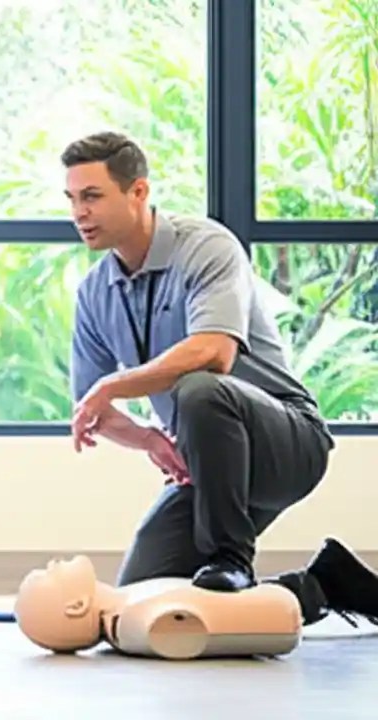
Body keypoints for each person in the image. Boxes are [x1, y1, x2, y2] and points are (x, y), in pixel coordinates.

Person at [62, 131, 335, 594]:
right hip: (205, 460)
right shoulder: (94, 293)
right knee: (140, 600)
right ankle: (322, 587)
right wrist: (150, 439)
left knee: (200, 387)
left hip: (287, 443)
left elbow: (214, 353)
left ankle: (232, 556)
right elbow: (92, 409)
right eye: (71, 199)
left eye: (92, 196)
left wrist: (112, 386)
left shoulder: (206, 246)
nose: (78, 213)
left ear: (138, 192)